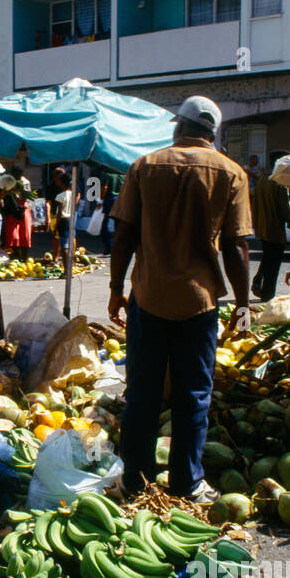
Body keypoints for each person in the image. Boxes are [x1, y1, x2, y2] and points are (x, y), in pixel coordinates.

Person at [108, 96, 252, 503]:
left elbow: (124, 236)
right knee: (193, 395)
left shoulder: (145, 167)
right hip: (199, 303)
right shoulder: (231, 172)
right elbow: (237, 246)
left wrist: (115, 288)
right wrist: (243, 303)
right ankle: (187, 482)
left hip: (149, 297)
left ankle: (135, 478)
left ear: (178, 127)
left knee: (142, 392)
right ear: (213, 134)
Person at [250, 156, 290, 301]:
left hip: (263, 228)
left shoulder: (263, 180)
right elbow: (285, 209)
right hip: (275, 229)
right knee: (273, 264)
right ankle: (267, 295)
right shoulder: (279, 182)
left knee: (267, 258)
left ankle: (258, 281)